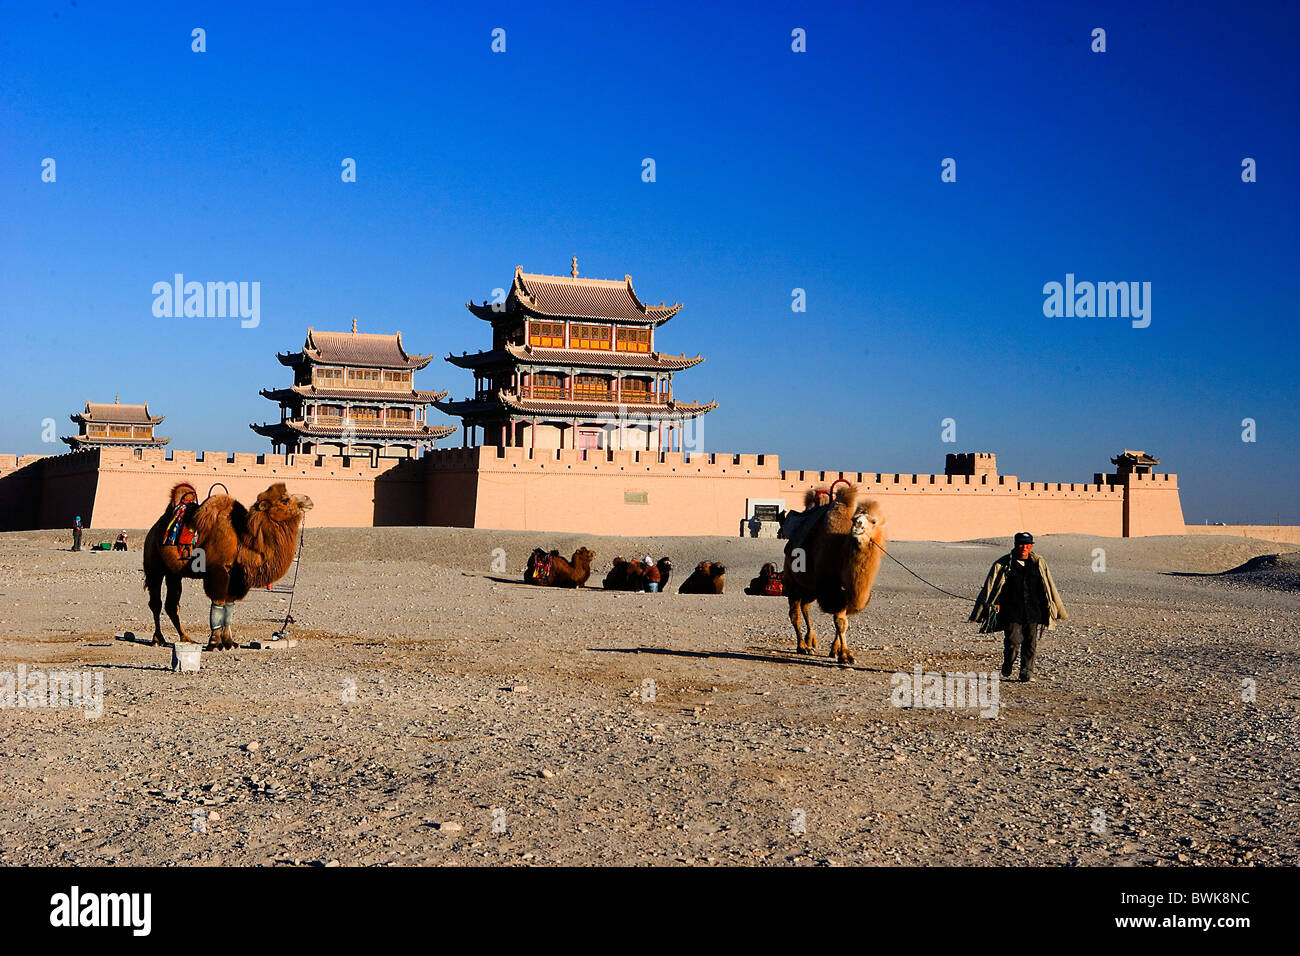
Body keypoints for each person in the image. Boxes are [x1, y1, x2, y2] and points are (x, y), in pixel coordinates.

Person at [969, 532, 1068, 682]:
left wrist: (1049, 607)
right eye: (1021, 544)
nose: (1024, 547)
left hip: (1033, 610)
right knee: (1013, 641)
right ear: (1015, 545)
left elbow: (1047, 587)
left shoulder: (1038, 563)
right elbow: (994, 587)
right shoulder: (1002, 564)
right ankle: (1008, 662)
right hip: (1011, 610)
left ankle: (1026, 672)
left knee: (1030, 643)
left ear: (1031, 546)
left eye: (1027, 544)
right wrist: (994, 603)